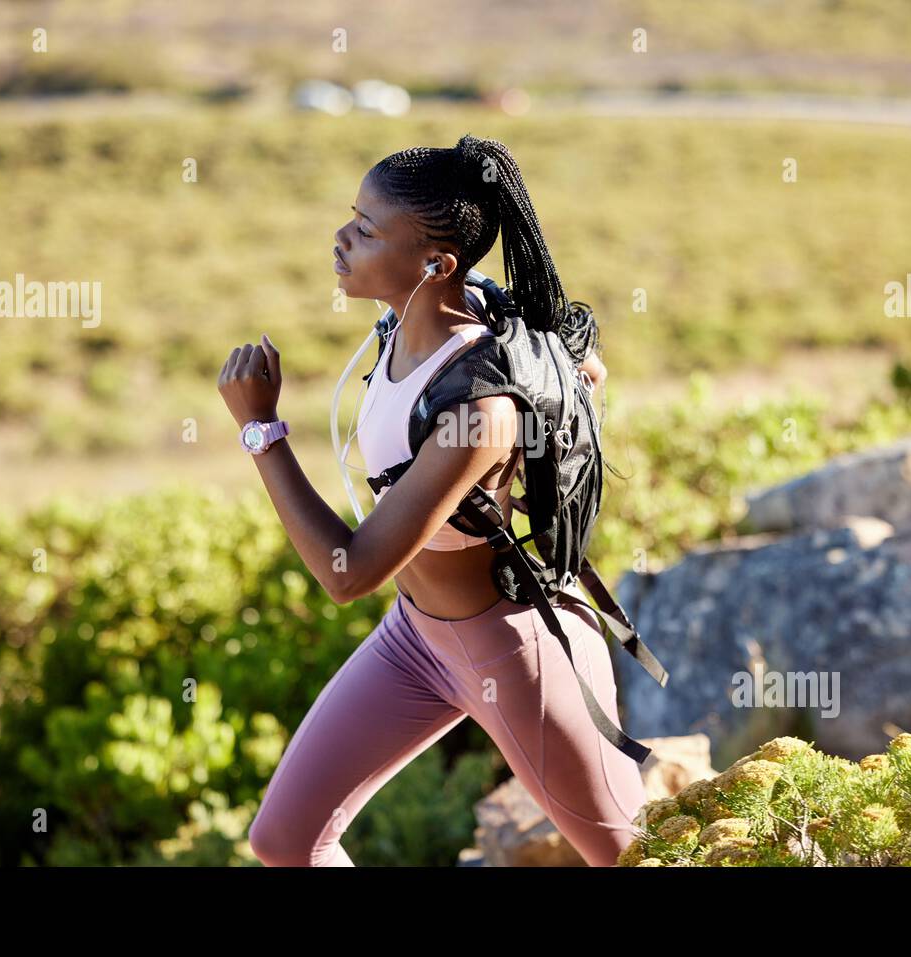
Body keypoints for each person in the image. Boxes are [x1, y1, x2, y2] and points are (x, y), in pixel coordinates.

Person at [216, 134, 645, 867]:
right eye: (352, 216)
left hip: (514, 651)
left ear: (435, 264)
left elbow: (347, 573)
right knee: (284, 839)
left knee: (635, 857)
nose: (343, 238)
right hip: (416, 642)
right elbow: (585, 367)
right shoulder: (414, 320)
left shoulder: (478, 411)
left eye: (368, 229)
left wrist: (261, 429)